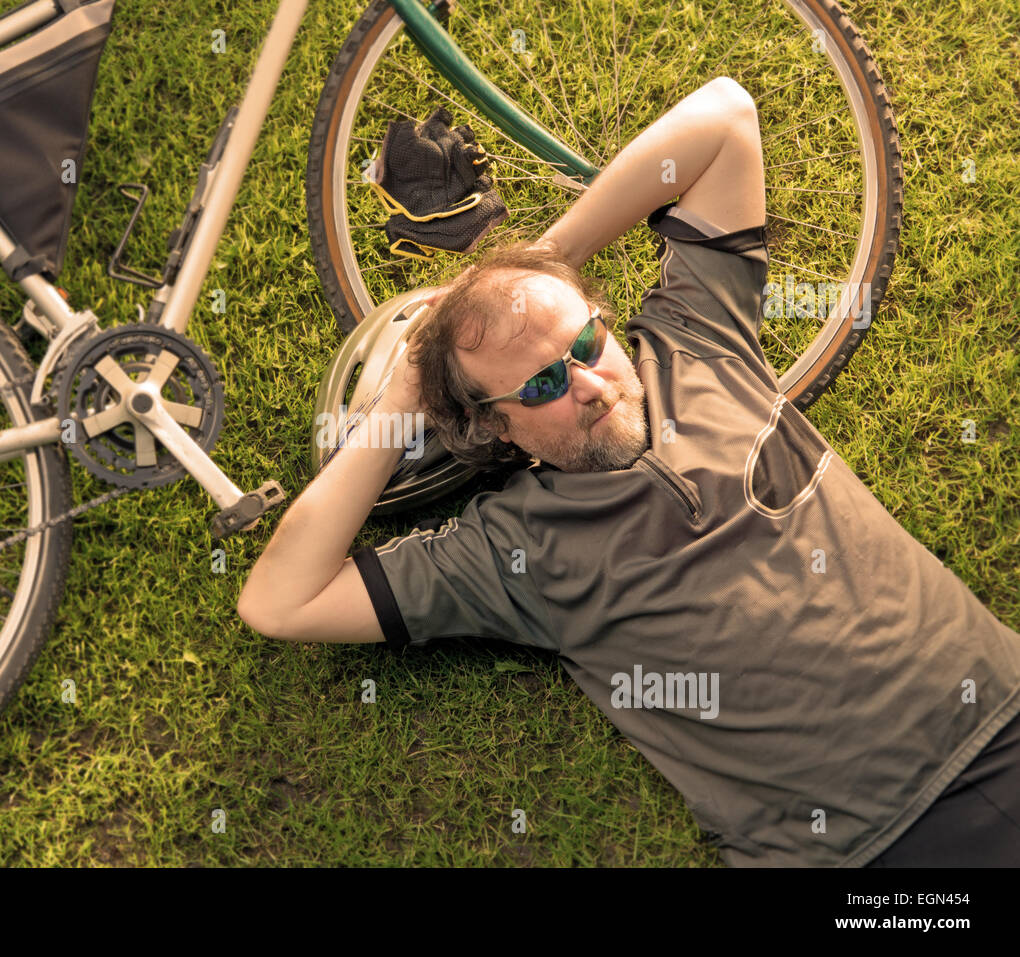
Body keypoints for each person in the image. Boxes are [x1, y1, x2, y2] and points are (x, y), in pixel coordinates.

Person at [236, 77, 1020, 866]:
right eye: (540, 384)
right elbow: (281, 598)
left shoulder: (696, 340)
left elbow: (724, 115)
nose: (589, 385)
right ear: (490, 427)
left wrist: (544, 260)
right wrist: (403, 401)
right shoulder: (515, 553)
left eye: (584, 343)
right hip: (876, 853)